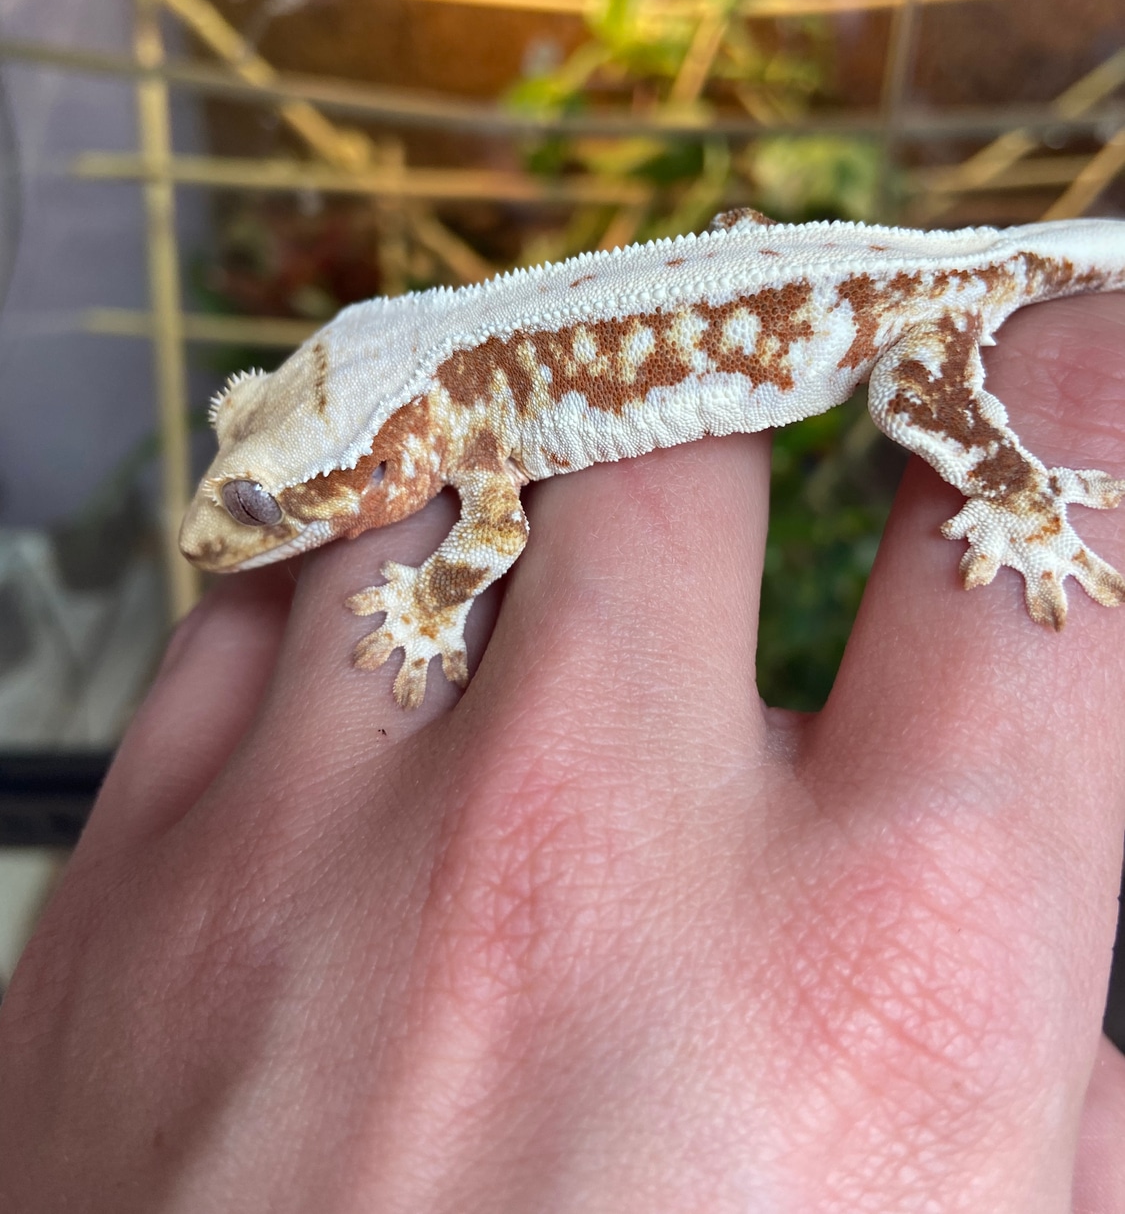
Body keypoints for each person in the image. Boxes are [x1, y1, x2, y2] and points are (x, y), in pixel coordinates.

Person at [1, 292, 1123, 1212]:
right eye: (243, 473)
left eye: (259, 504)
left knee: (916, 397)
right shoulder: (464, 405)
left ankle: (1025, 497)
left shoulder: (470, 425)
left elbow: (493, 533)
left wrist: (430, 609)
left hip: (902, 313)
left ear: (390, 457)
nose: (214, 539)